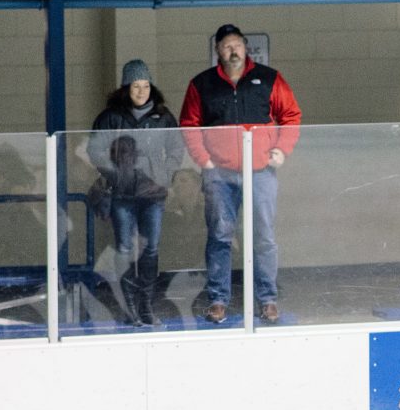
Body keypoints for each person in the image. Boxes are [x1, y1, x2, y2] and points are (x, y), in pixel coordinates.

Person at [178, 24, 302, 326]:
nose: (233, 51)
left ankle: (268, 300)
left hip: (260, 173)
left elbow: (291, 115)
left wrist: (282, 150)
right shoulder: (202, 84)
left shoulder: (269, 79)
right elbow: (189, 124)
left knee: (264, 236)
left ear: (245, 47)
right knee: (220, 237)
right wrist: (204, 160)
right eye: (226, 46)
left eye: (237, 45)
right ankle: (218, 300)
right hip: (219, 175)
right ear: (217, 51)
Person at [86, 61, 180, 328]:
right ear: (126, 87)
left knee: (151, 249)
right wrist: (116, 174)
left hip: (153, 194)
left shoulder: (163, 116)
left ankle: (146, 305)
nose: (141, 91)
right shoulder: (111, 117)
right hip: (122, 195)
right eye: (136, 86)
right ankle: (129, 307)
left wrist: (166, 173)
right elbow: (95, 150)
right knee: (125, 248)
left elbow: (176, 147)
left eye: (146, 85)